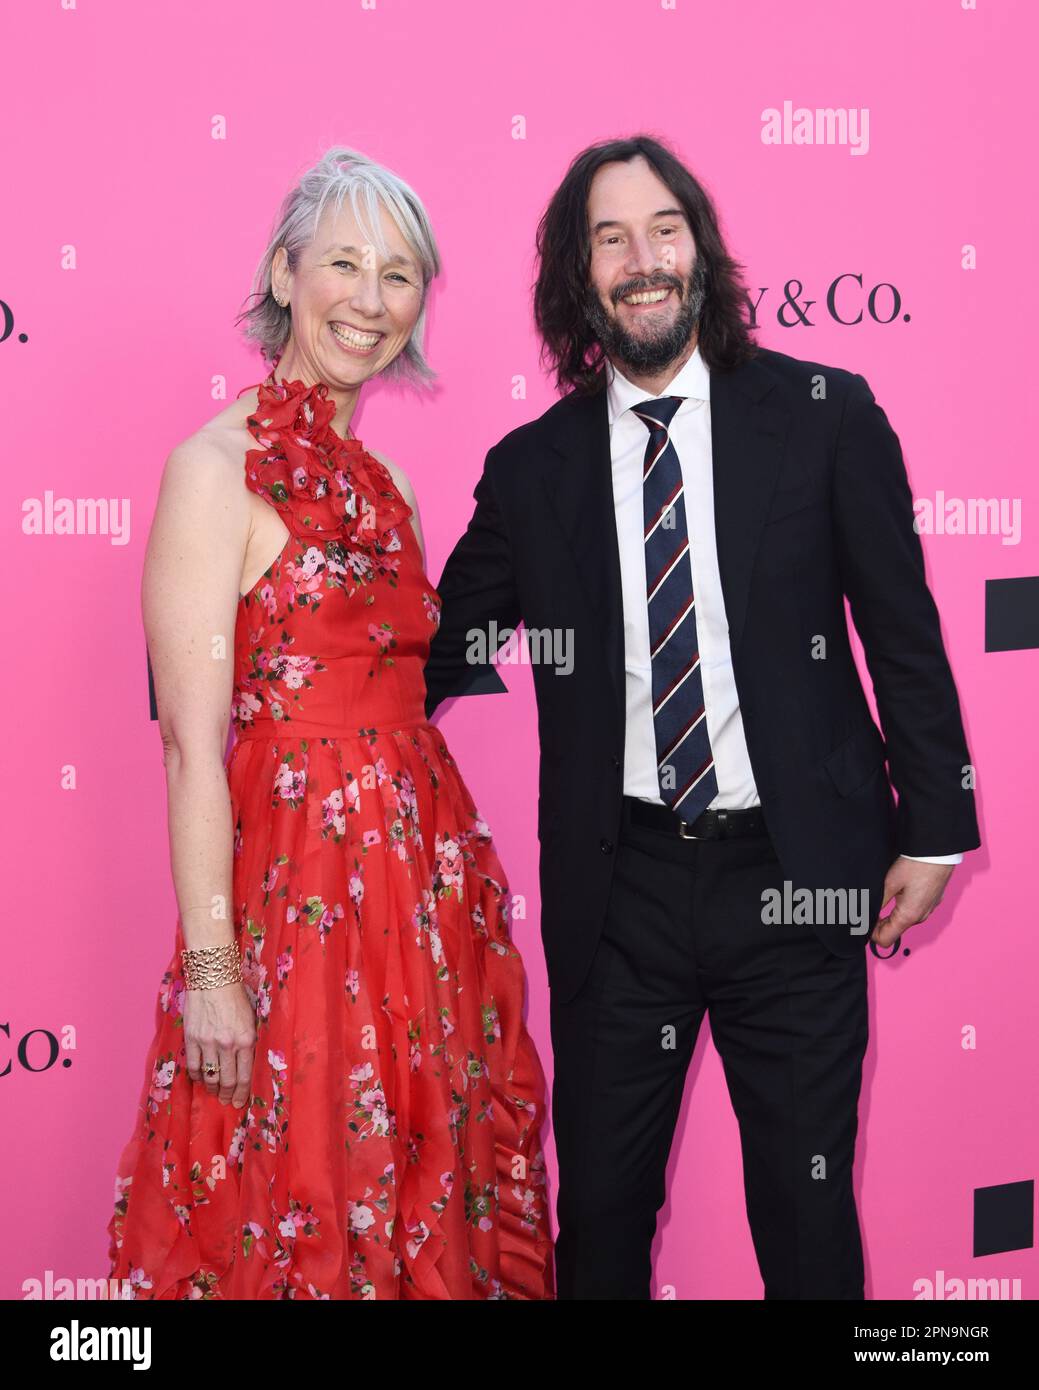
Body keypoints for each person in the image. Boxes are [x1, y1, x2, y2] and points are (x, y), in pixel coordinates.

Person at [424, 133, 981, 1300]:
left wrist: (936, 825)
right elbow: (435, 650)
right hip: (617, 893)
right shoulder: (532, 469)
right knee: (606, 1217)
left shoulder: (824, 414)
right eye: (609, 238)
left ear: (701, 249)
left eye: (663, 229)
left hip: (797, 874)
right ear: (578, 279)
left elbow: (901, 628)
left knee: (806, 1204)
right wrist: (266, 666)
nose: (642, 260)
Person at [107, 147, 554, 1300]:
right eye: (344, 263)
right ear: (284, 273)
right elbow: (188, 743)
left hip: (422, 897)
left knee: (418, 1172)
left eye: (398, 274)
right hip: (291, 902)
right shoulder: (212, 471)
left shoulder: (392, 481)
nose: (369, 298)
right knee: (287, 1177)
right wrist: (212, 966)